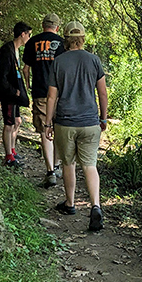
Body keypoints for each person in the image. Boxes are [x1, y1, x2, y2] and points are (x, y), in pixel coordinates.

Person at [44, 21, 108, 231]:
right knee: (90, 164)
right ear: (83, 39)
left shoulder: (59, 62)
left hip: (66, 122)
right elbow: (102, 92)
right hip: (90, 121)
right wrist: (104, 118)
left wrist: (48, 123)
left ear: (65, 39)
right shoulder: (94, 60)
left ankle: (70, 204)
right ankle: (96, 206)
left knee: (68, 162)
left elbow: (52, 96)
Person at [22, 13, 66, 186]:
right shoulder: (63, 43)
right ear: (57, 27)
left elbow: (26, 69)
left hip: (40, 91)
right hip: (60, 93)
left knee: (44, 130)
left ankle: (50, 172)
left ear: (42, 26)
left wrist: (28, 85)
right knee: (58, 129)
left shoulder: (33, 42)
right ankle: (56, 165)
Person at [0, 21, 32, 167]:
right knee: (9, 124)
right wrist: (11, 90)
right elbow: (1, 76)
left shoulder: (16, 50)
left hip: (15, 93)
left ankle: (12, 151)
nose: (29, 37)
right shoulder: (7, 51)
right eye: (28, 34)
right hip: (8, 94)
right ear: (22, 34)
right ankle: (8, 156)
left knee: (17, 121)